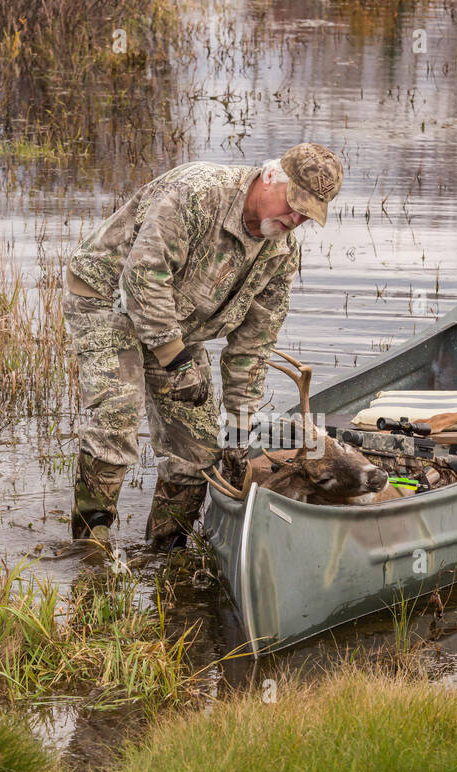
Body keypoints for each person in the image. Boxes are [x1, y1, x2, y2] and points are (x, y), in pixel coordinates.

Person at [63, 142, 344, 548]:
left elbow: (254, 342)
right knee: (117, 418)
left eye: (307, 214)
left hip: (176, 324)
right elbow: (142, 280)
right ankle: (90, 544)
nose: (295, 217)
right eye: (292, 202)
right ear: (269, 177)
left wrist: (241, 422)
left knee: (200, 450)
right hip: (106, 301)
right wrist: (176, 361)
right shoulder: (197, 193)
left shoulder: (281, 254)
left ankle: (165, 550)